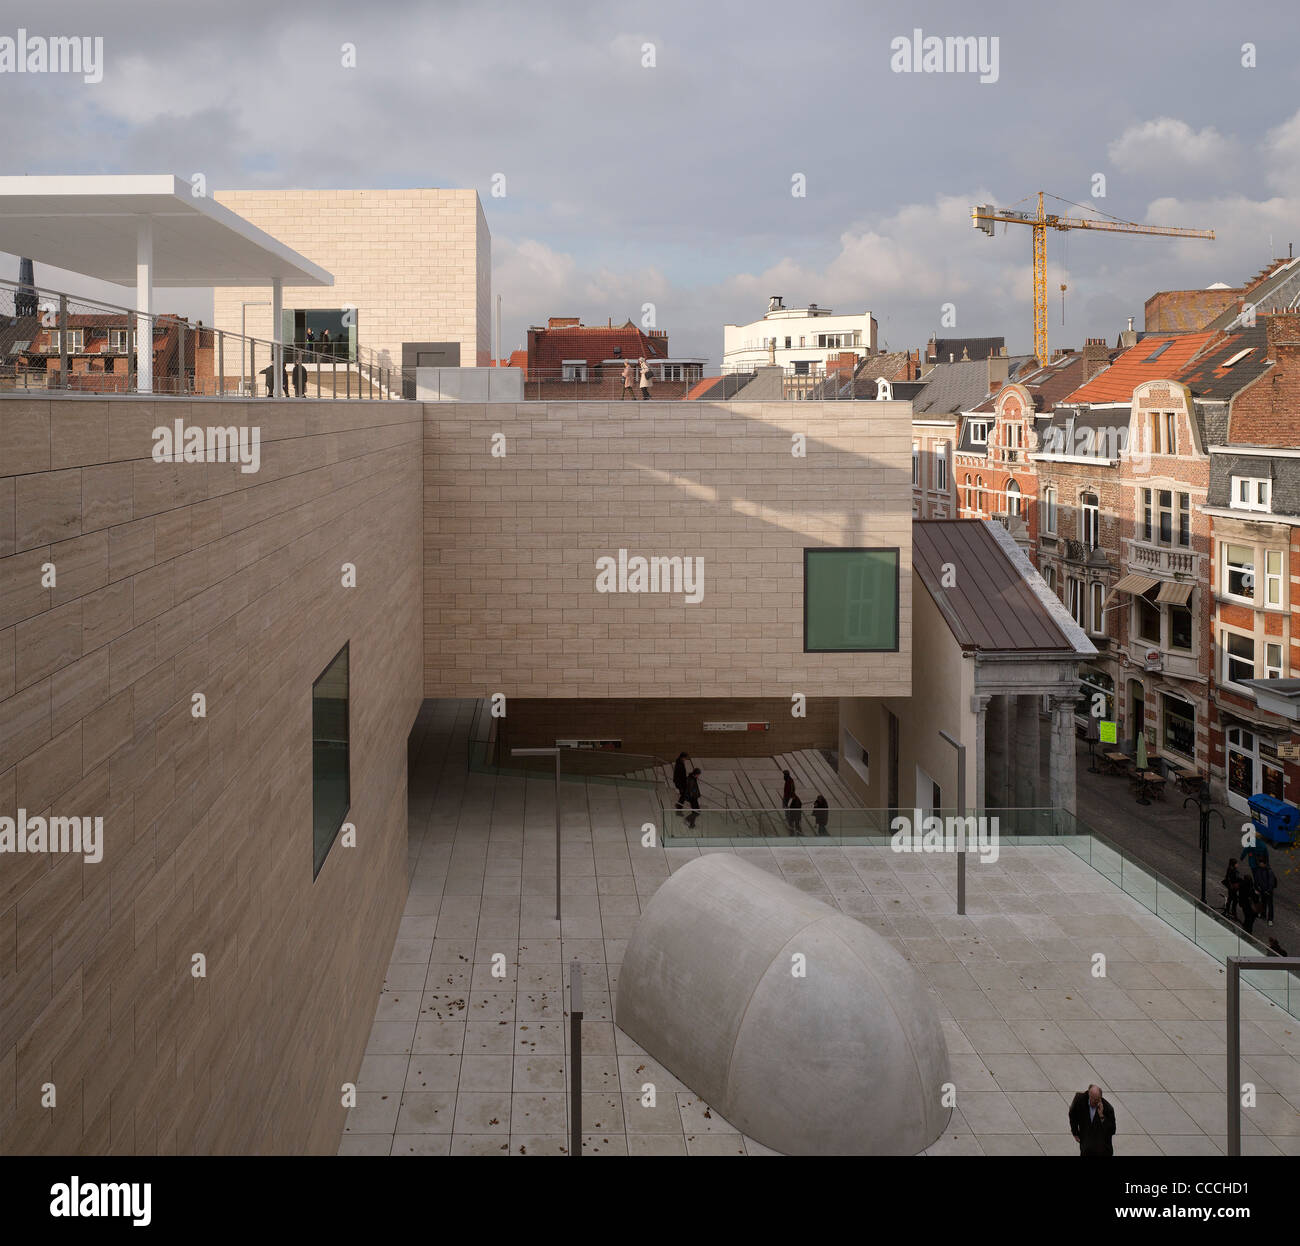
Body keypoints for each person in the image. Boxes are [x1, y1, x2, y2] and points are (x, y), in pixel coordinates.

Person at [1068, 1085, 1117, 1156]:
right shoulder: (1079, 1099)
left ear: (1100, 1097)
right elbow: (1072, 1114)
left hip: (1102, 1150)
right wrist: (1075, 1132)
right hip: (1086, 1148)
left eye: (1097, 1100)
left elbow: (1112, 1130)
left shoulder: (1108, 1109)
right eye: (1093, 1099)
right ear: (1089, 1095)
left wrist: (1101, 1116)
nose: (1095, 1102)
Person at [1255, 858, 1277, 926]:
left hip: (1268, 891)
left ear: (1264, 864)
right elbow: (1257, 879)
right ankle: (1263, 915)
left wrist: (1268, 891)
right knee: (1263, 903)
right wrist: (1257, 887)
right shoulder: (1259, 869)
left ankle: (1270, 919)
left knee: (1270, 906)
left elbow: (1271, 882)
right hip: (1262, 890)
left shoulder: (1269, 871)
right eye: (1259, 863)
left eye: (1261, 863)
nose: (1259, 864)